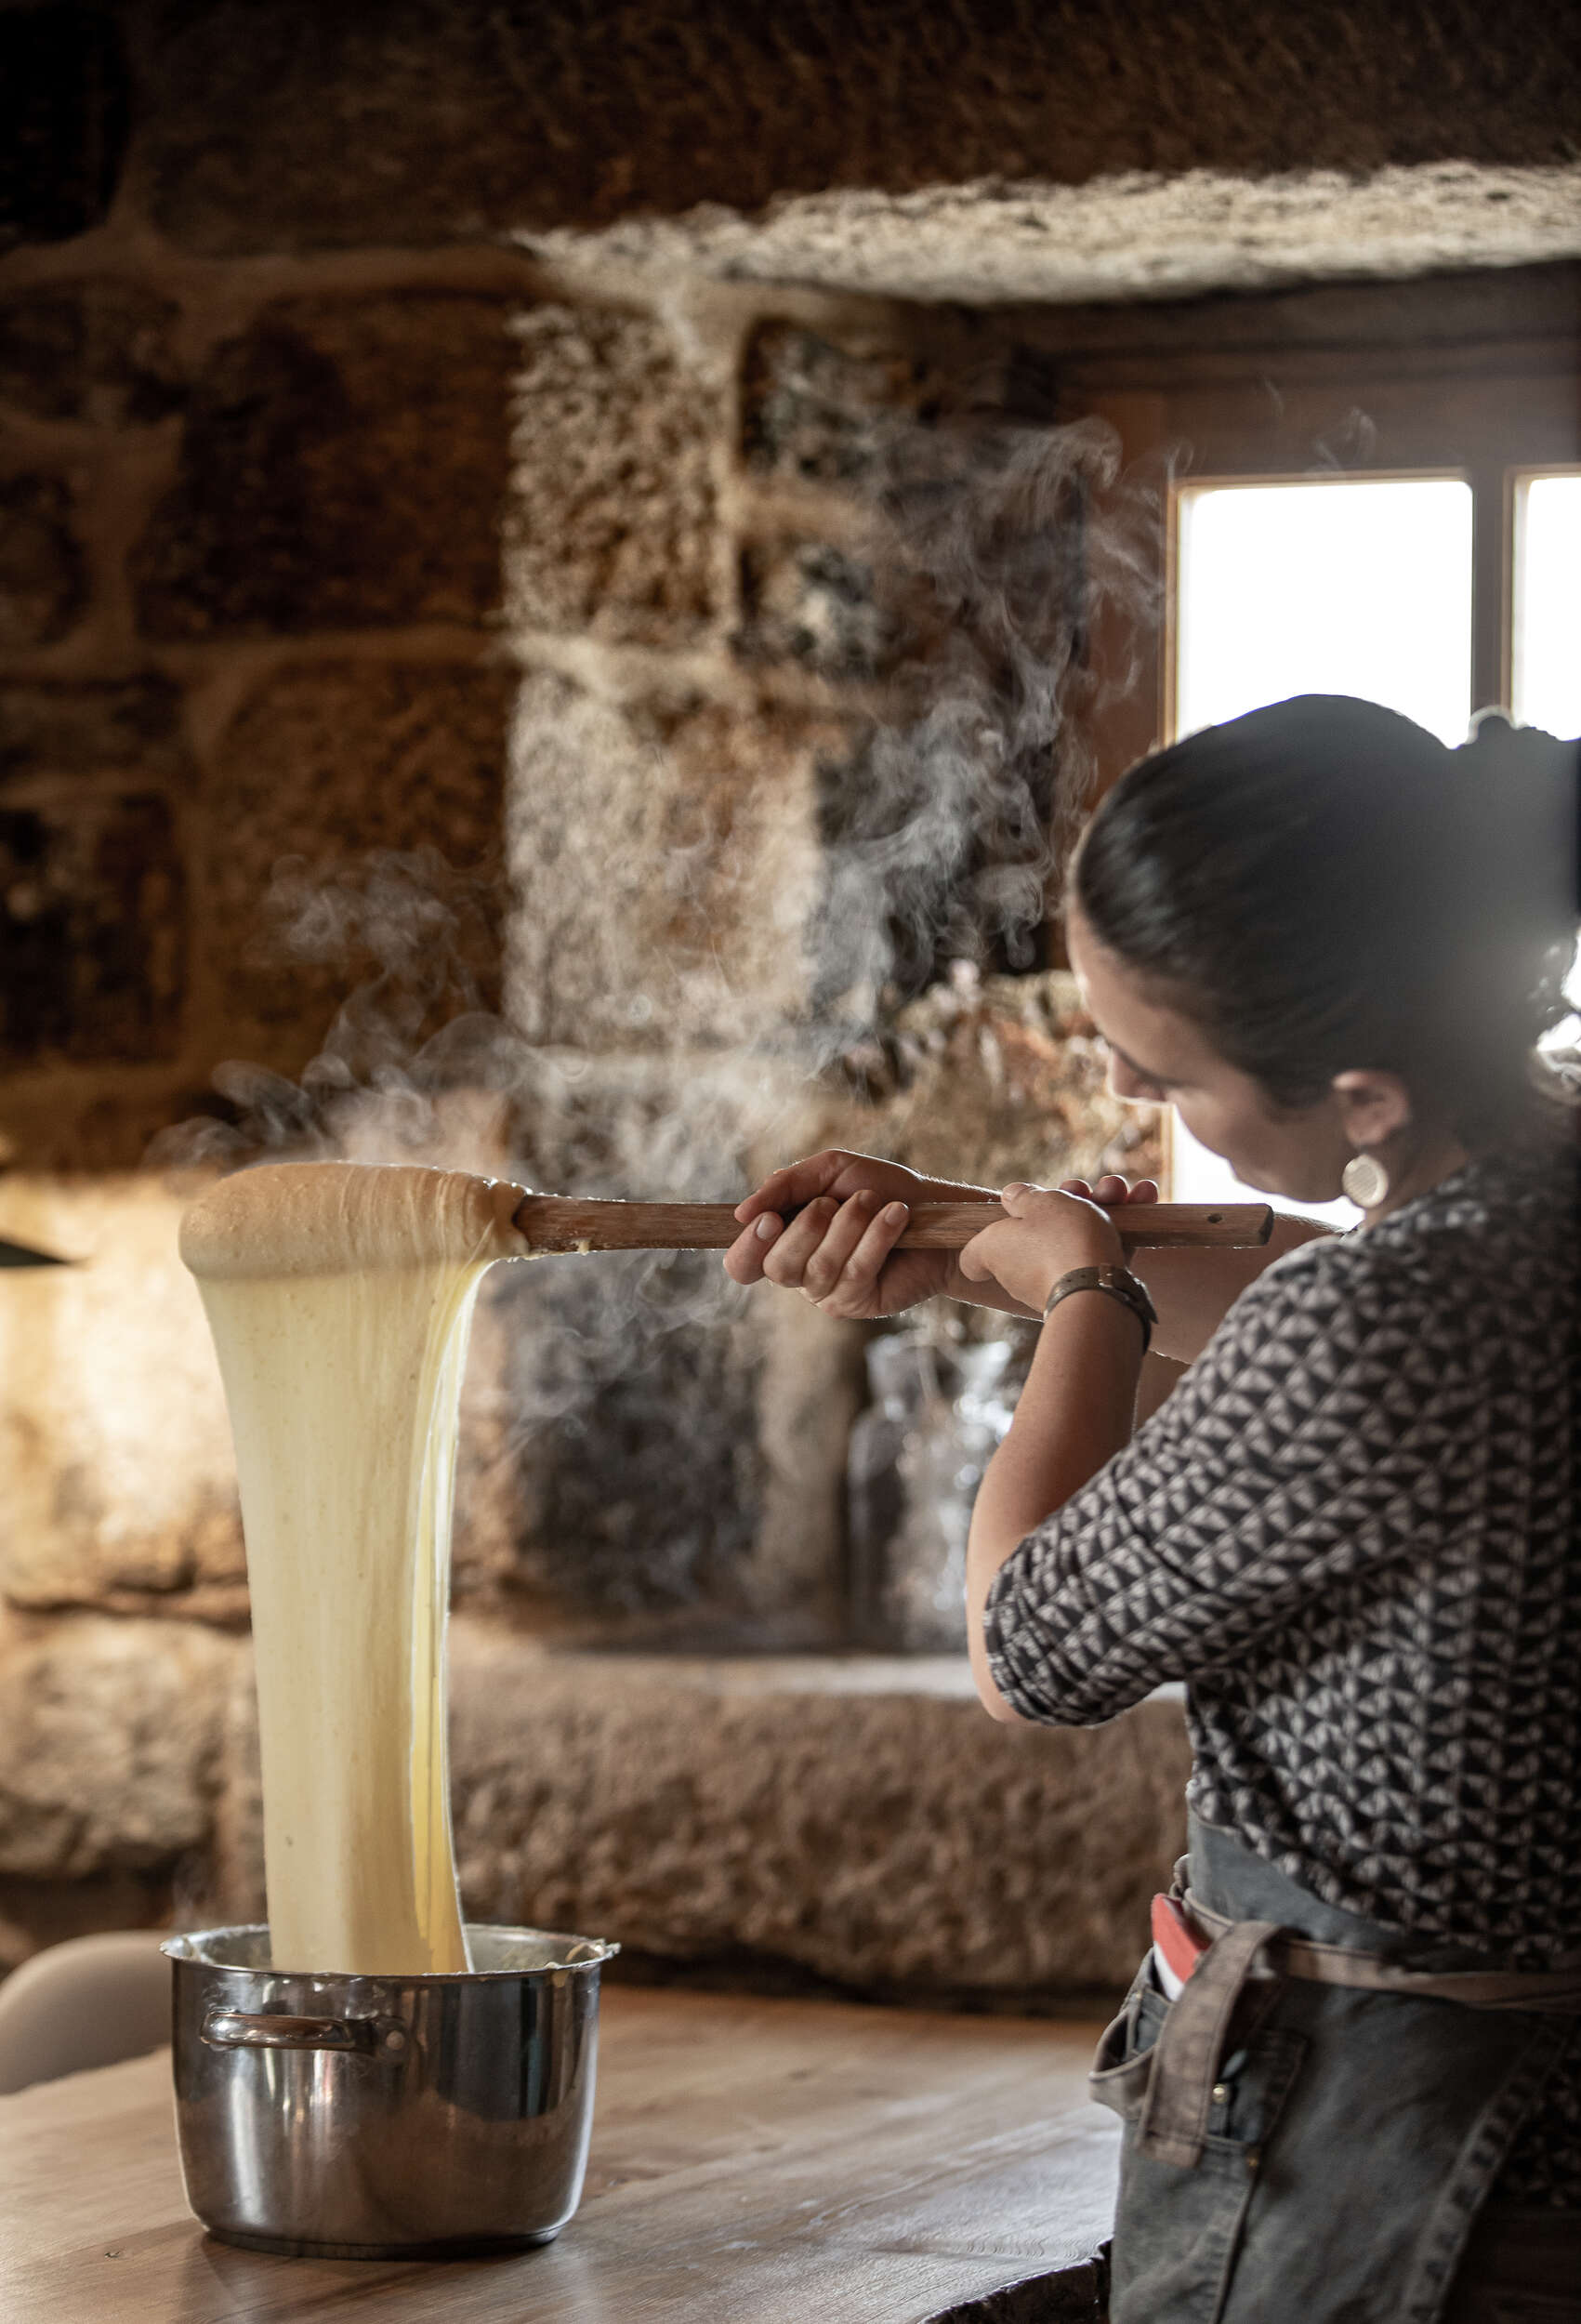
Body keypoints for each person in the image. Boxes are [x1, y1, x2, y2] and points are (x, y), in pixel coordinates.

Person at [724, 695, 1581, 2324]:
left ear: (1366, 1095)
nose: (1115, 1076)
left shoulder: (1376, 1328)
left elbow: (1022, 1644)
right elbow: (1337, 1309)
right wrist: (990, 1238)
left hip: (1413, 2195)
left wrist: (1083, 1301)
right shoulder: (1530, 1198)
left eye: (1159, 1066)